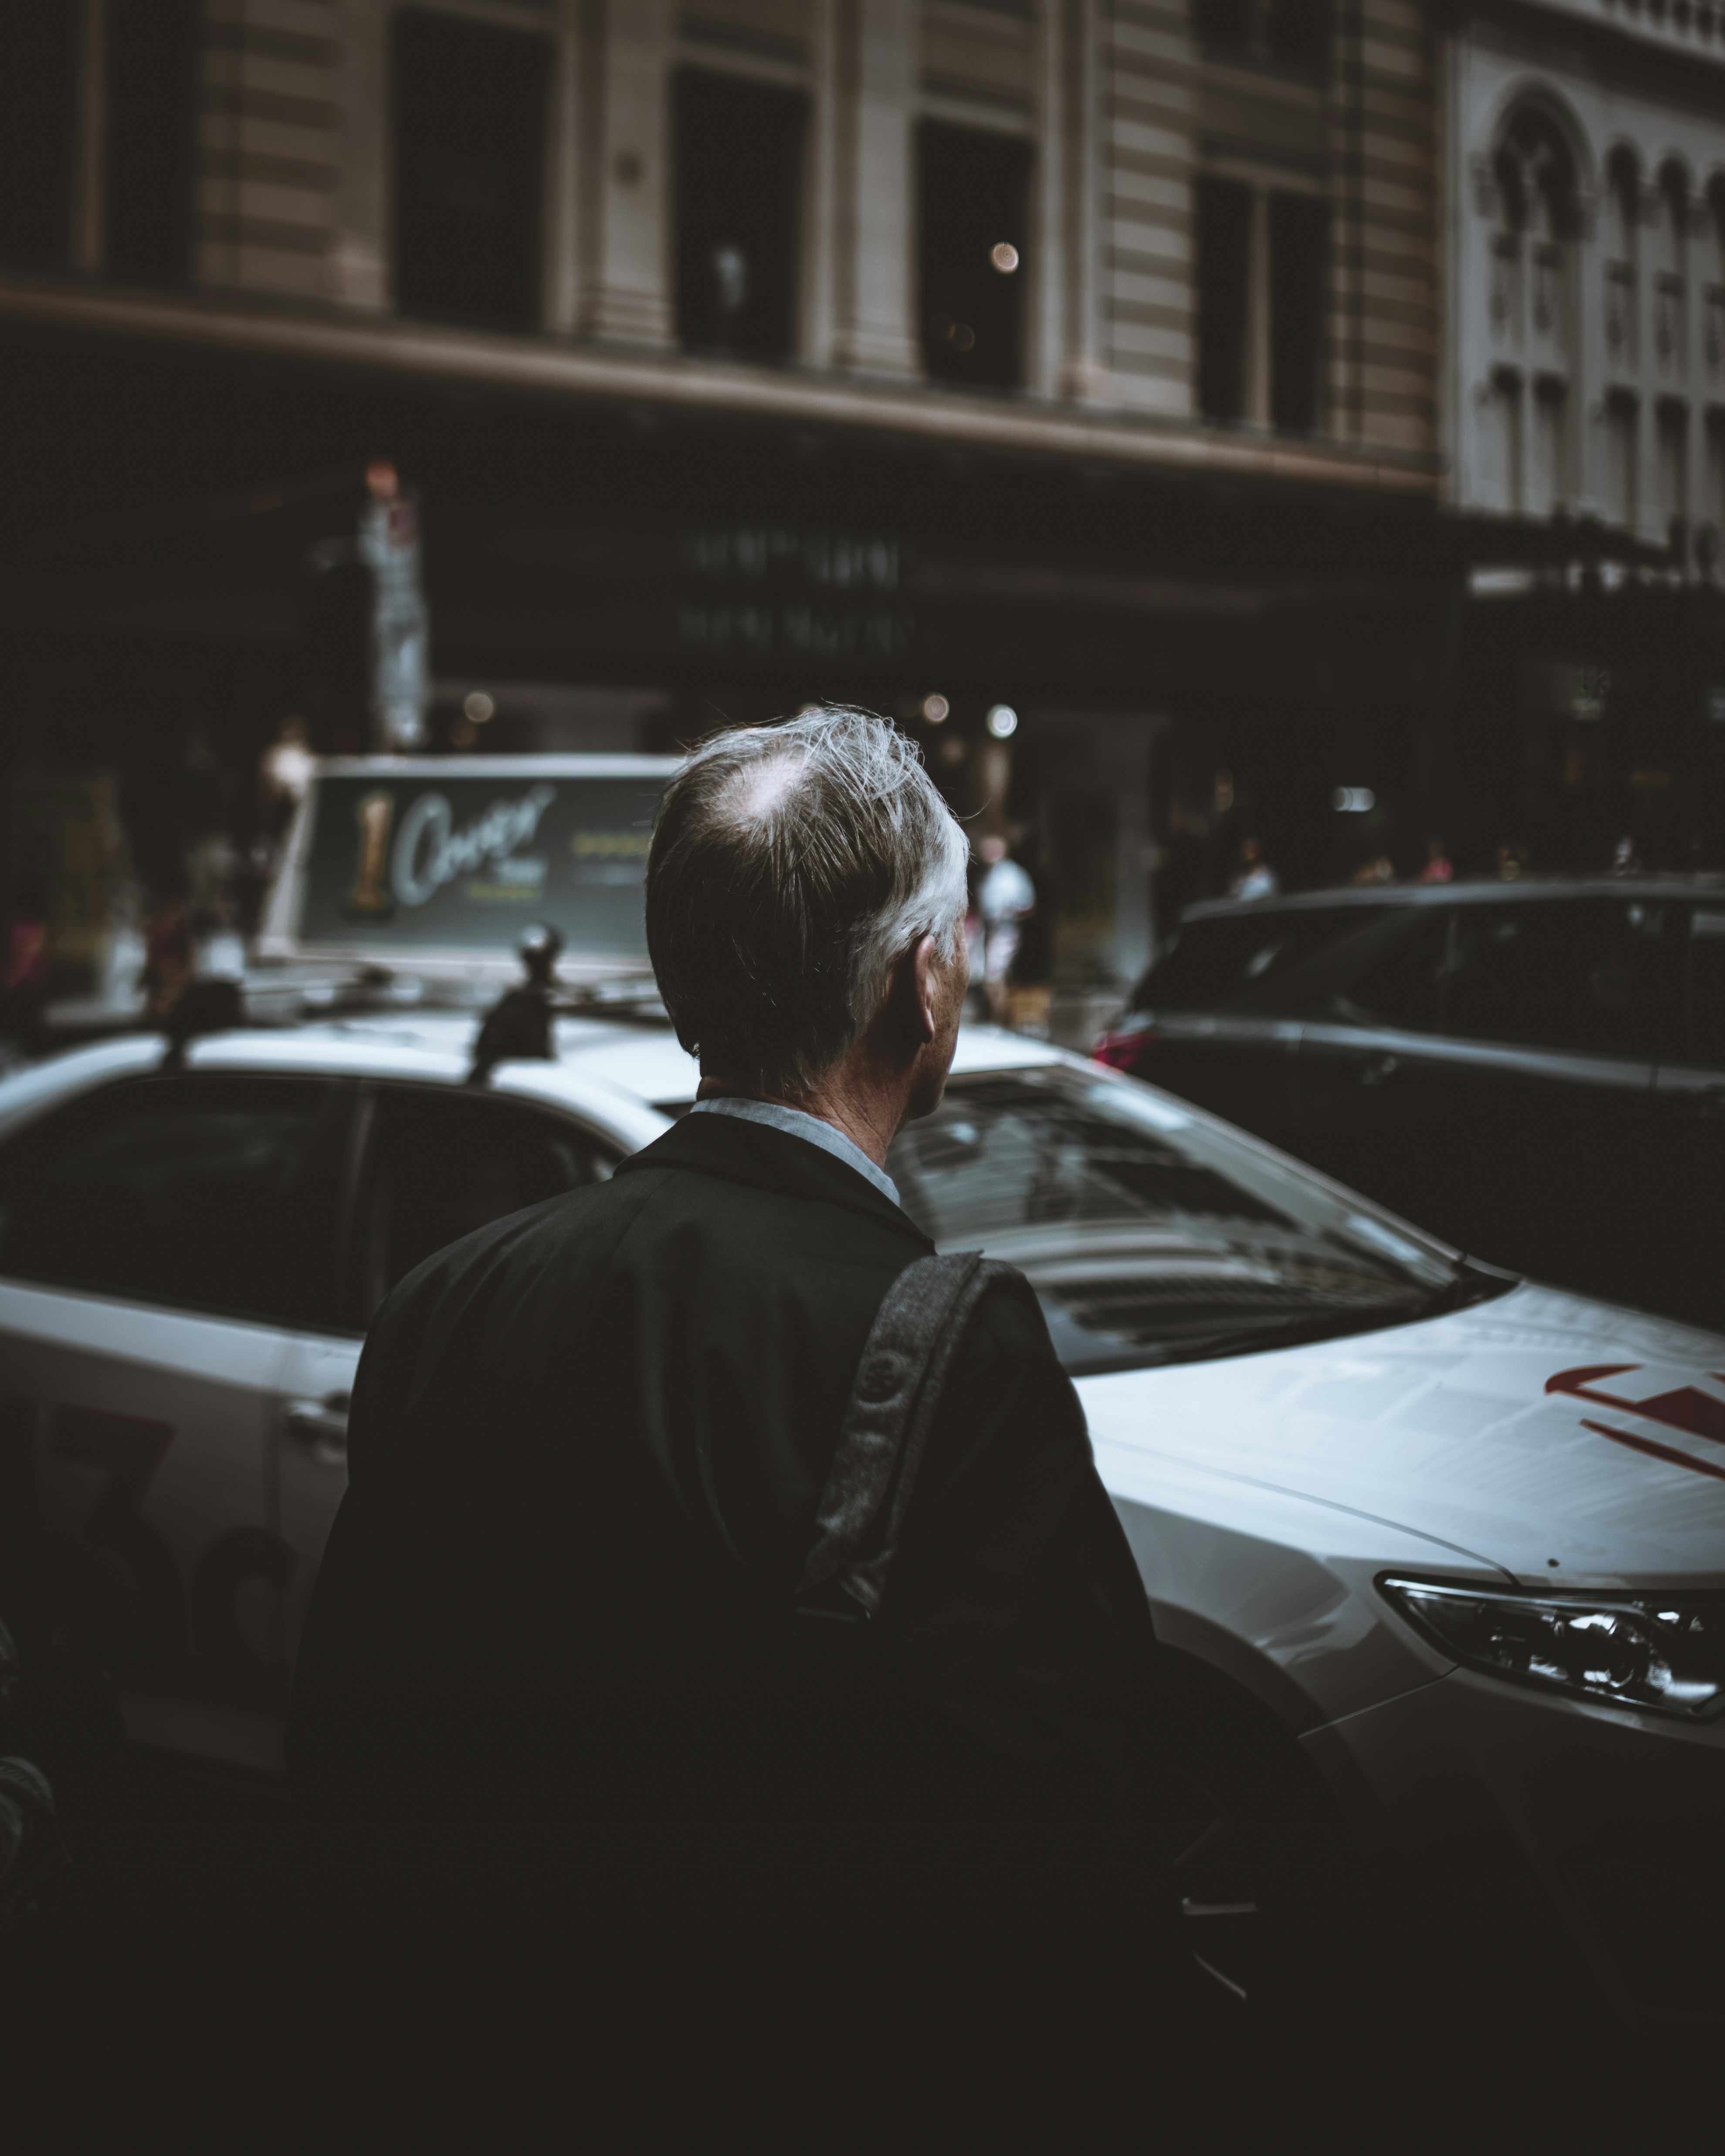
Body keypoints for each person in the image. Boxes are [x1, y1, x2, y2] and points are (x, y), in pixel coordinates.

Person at [287, 707, 1176, 2140]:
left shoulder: (446, 1299)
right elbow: (1064, 1864)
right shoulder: (949, 1344)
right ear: (921, 980)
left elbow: (346, 1761)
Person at [976, 831, 1037, 1023]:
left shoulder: (1012, 875)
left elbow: (1028, 906)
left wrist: (1008, 914)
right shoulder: (988, 874)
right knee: (992, 978)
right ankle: (998, 1019)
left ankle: (999, 1020)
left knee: (993, 978)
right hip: (989, 931)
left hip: (1005, 931)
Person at [1227, 834, 1279, 900]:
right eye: (1244, 849)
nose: (1246, 853)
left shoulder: (1267, 875)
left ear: (1257, 851)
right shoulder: (1237, 878)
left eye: (1250, 849)